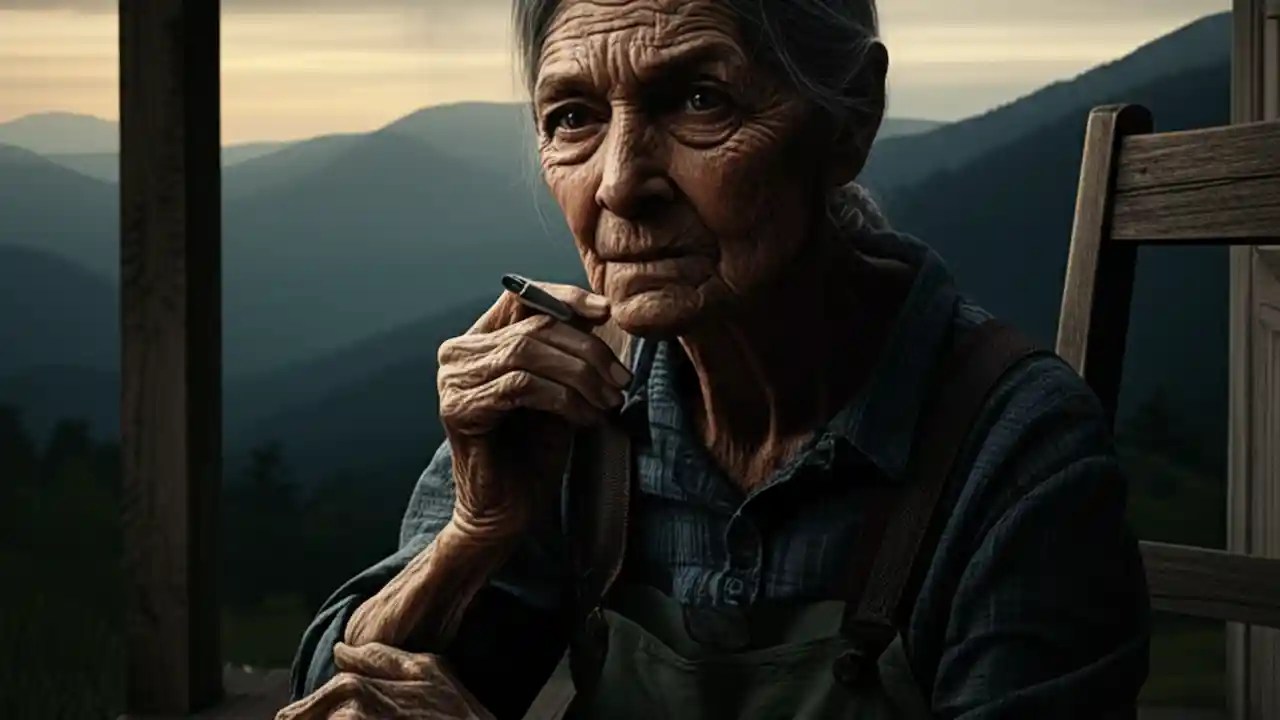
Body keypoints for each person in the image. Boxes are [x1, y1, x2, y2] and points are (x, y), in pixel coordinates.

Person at [276, 0, 1151, 718]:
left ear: (848, 119)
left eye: (698, 100)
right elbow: (336, 696)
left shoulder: (1013, 449)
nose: (619, 181)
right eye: (573, 118)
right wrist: (472, 536)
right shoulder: (571, 398)